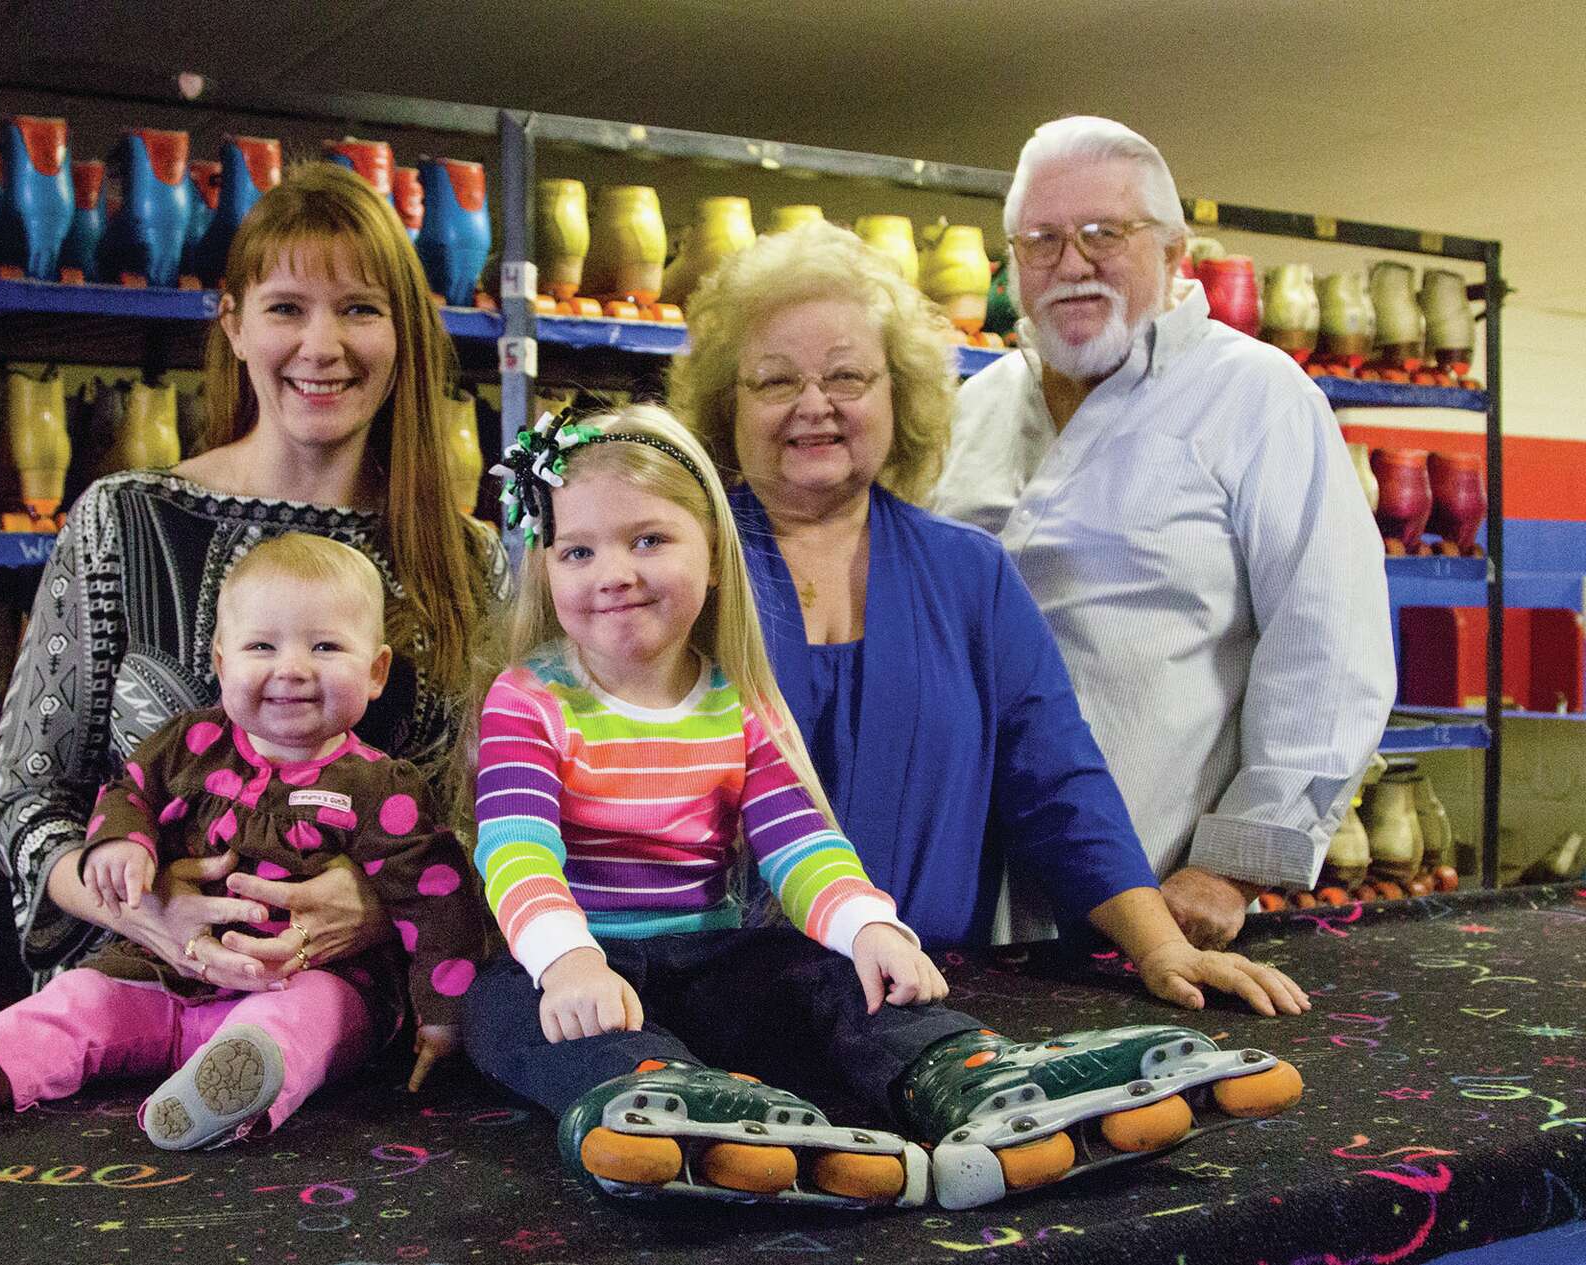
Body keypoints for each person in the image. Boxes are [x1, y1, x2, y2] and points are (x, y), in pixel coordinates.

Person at [461, 405, 1304, 1213]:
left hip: (715, 963)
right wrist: (568, 959)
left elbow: (801, 846)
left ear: (715, 556)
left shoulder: (739, 700)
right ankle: (654, 1095)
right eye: (577, 551)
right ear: (545, 565)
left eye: (649, 539)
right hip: (581, 971)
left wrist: (868, 927)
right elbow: (518, 852)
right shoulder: (529, 699)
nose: (613, 572)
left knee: (828, 973)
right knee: (501, 1006)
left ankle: (965, 1074)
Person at [669, 218, 1308, 1004]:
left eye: (847, 378)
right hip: (713, 1000)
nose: (814, 405)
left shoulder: (969, 573)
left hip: (923, 999)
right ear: (723, 405)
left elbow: (1058, 782)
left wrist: (1160, 947)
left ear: (898, 397)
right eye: (773, 381)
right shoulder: (675, 570)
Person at [0, 162, 503, 998]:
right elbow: (24, 799)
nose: (321, 346)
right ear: (234, 327)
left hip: (384, 1041)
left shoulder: (477, 562)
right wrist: (140, 908)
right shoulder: (123, 523)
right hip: (139, 1011)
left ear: (403, 332)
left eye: (359, 308)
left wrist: (380, 902)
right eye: (287, 308)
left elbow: (514, 822)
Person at [0, 536, 483, 1147]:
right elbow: (126, 791)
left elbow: (438, 893)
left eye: (326, 648)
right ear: (220, 663)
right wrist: (121, 846)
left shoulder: (381, 785)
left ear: (375, 671)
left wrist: (442, 1017)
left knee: (314, 1016)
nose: (293, 669)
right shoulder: (189, 743)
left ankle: (228, 1095)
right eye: (262, 647)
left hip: (302, 981)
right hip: (156, 973)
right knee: (79, 1001)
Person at [931, 117, 1395, 948]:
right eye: (1040, 240)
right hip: (951, 907)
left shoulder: (1256, 397)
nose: (1072, 263)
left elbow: (1331, 648)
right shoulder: (972, 409)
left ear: (1175, 248)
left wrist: (1232, 864)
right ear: (1009, 262)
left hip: (1151, 912)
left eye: (1104, 233)